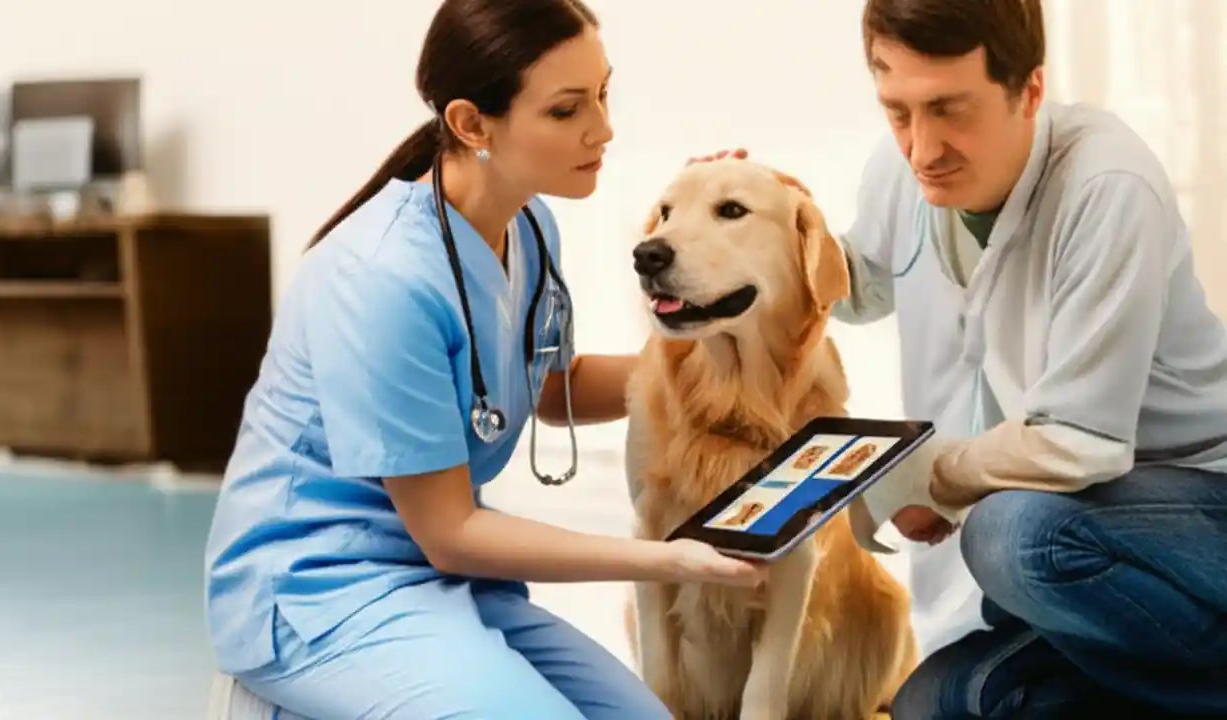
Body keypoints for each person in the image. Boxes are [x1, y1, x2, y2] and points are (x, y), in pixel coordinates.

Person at [202, 2, 764, 718]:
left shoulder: (528, 226)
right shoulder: (382, 280)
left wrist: (727, 352)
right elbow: (451, 533)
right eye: (566, 111)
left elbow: (547, 384)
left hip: (432, 575)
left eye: (602, 93)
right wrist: (669, 557)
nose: (604, 127)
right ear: (472, 124)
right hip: (319, 589)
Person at [704, 0, 1227, 715]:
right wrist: (750, 220)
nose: (922, 149)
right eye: (899, 111)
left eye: (952, 109)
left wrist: (921, 476)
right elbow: (856, 286)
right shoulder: (902, 168)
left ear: (1030, 91)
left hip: (1197, 504)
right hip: (1095, 548)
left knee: (1015, 538)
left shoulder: (1108, 187)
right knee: (934, 704)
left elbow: (1082, 446)